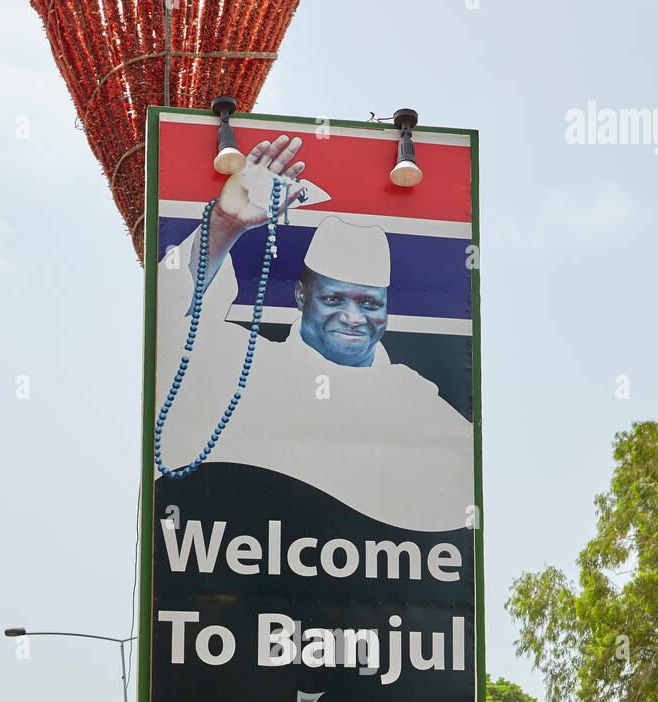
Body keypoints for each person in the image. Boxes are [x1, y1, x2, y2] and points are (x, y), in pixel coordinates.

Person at [156, 135, 473, 533]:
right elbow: (167, 328)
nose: (353, 318)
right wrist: (225, 223)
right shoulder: (243, 363)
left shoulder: (415, 400)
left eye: (370, 304)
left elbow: (465, 495)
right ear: (301, 294)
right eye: (335, 298)